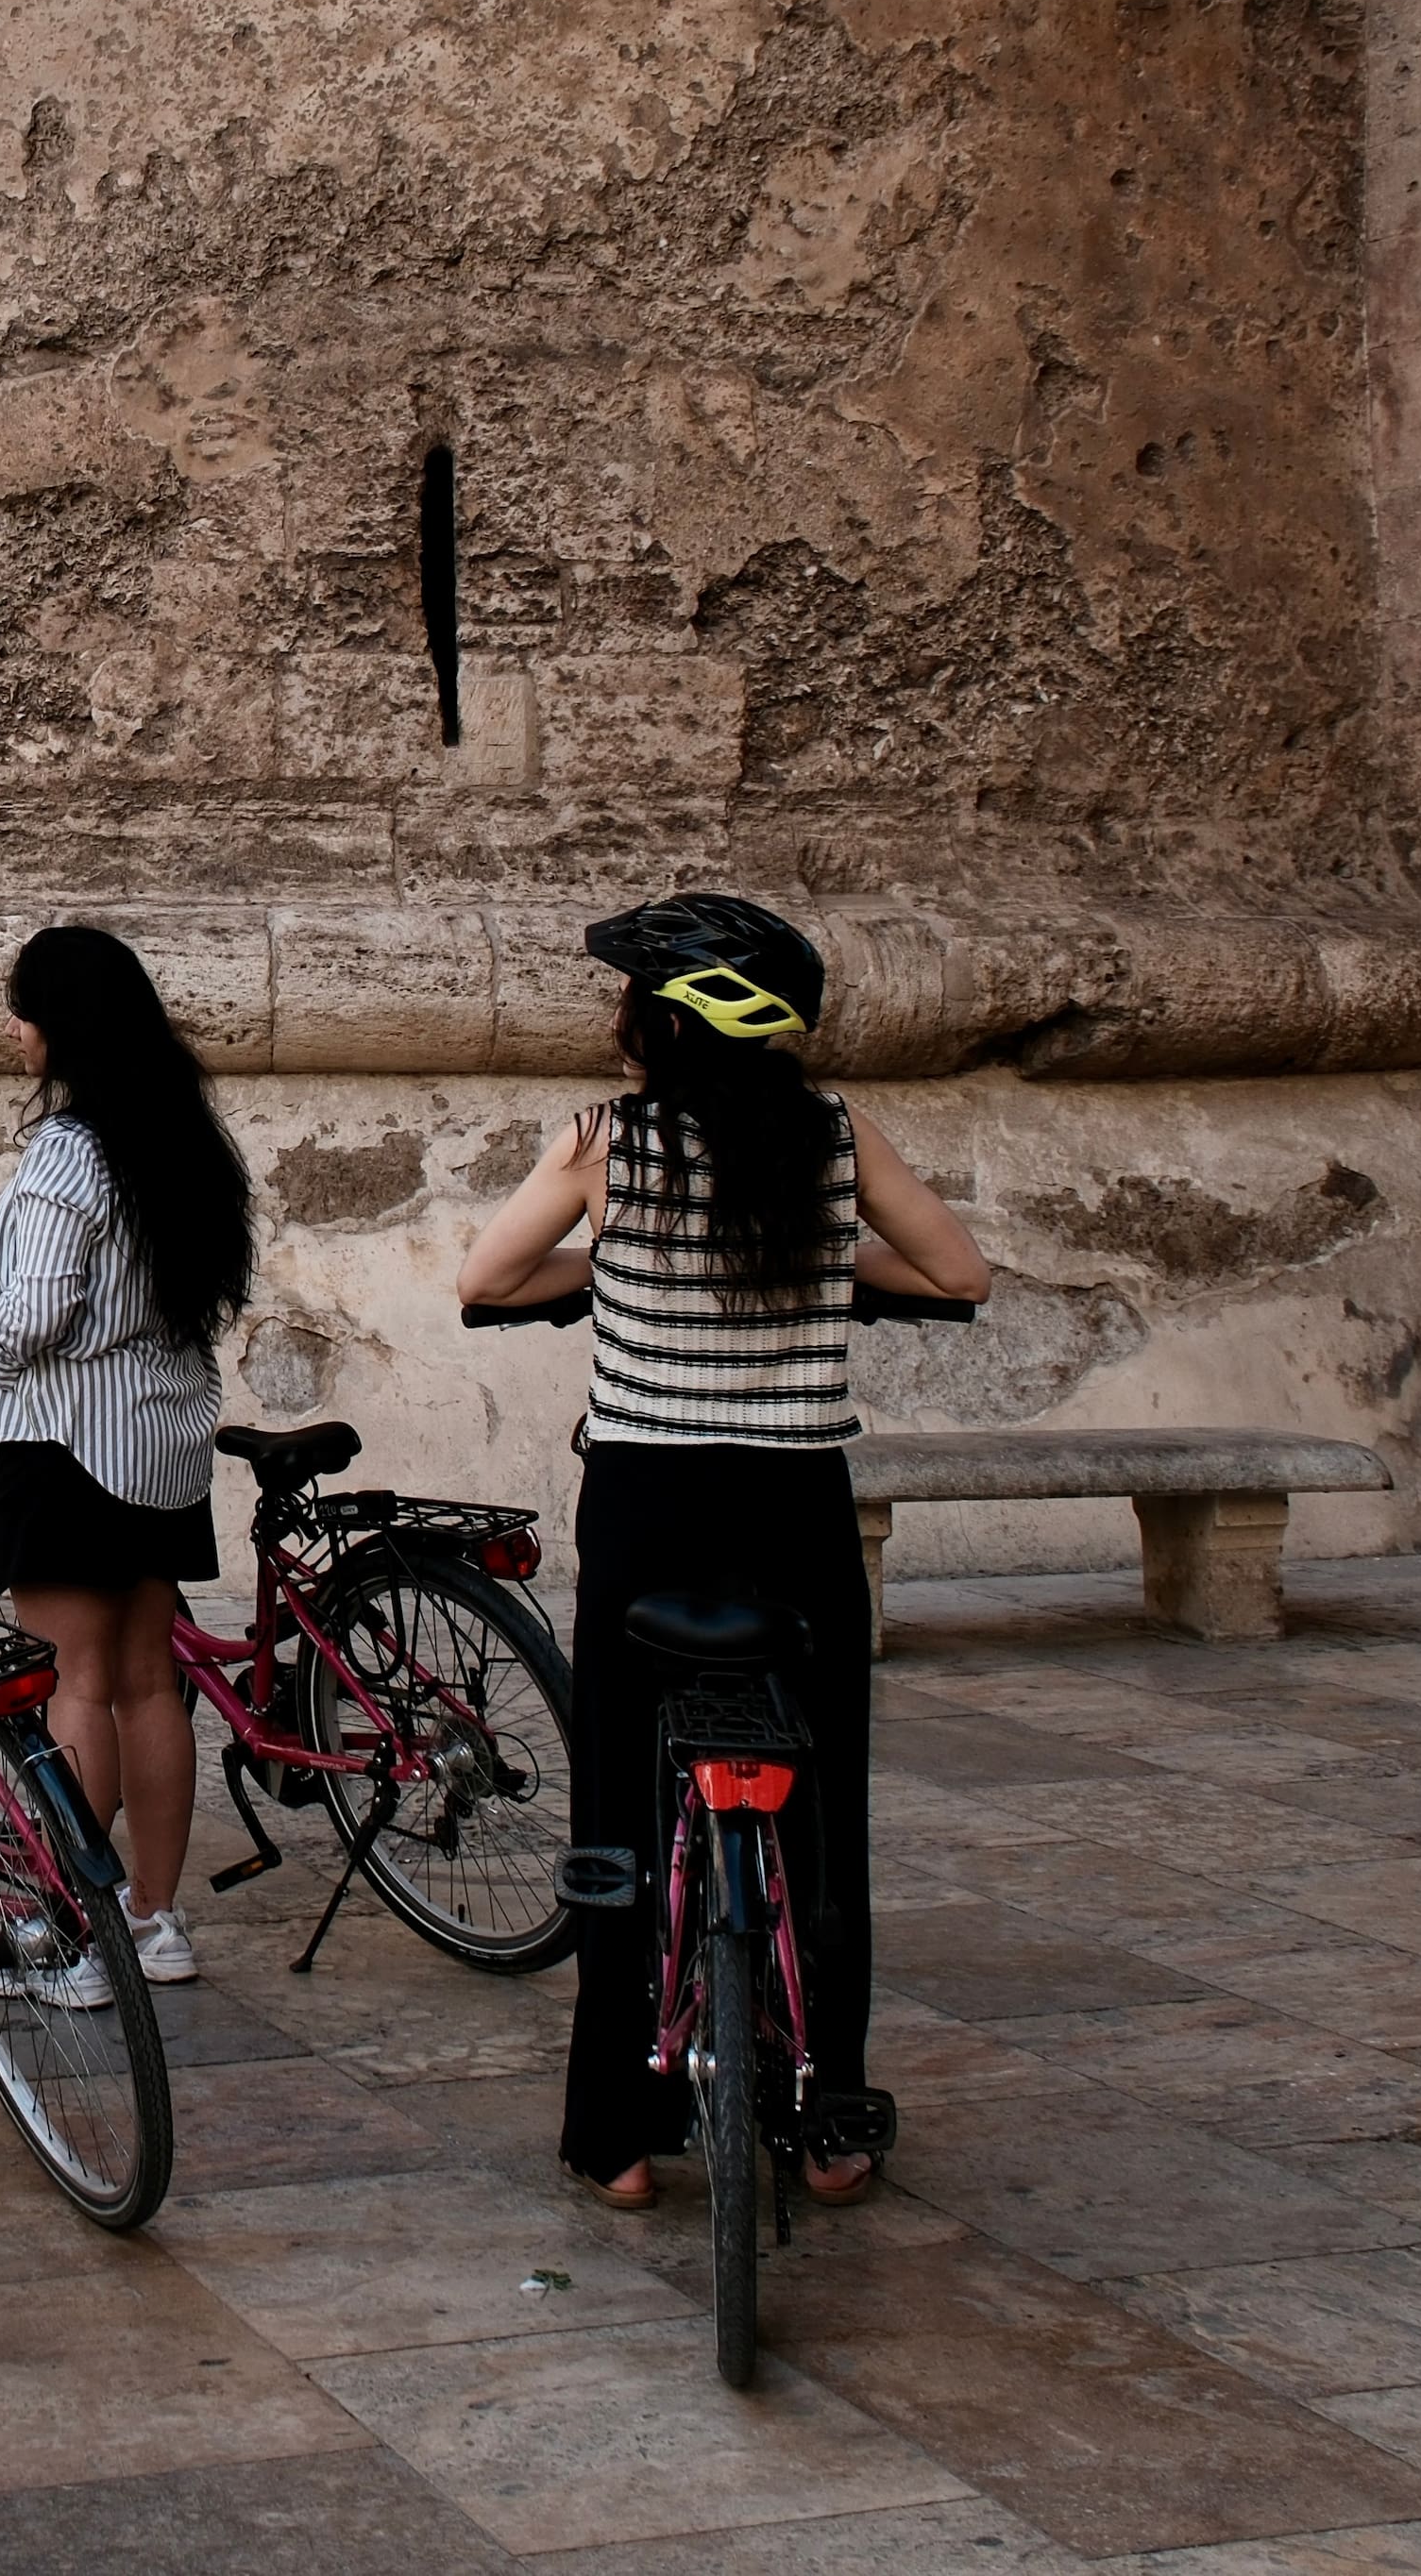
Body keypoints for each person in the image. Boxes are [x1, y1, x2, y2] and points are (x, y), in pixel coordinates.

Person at [455, 890, 987, 2212]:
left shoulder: (602, 1143)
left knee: (626, 1807)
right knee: (818, 1811)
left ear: (663, 1018)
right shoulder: (833, 1138)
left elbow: (488, 1279)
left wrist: (620, 1267)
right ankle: (830, 2125)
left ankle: (621, 2133)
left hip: (649, 1504)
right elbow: (958, 1276)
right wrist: (823, 1263)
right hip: (793, 1506)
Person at [0, 923, 251, 1997]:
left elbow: (28, 1321)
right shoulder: (185, 1139)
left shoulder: (66, 1154)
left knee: (70, 1685)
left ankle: (75, 1936)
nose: (13, 1030)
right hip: (163, 1442)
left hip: (67, 1441)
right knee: (146, 1684)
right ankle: (154, 1923)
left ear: (59, 1025)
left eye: (22, 1010)